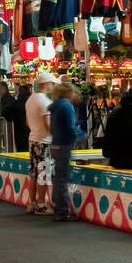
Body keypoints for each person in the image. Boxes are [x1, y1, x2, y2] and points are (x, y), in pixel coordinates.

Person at [24, 71, 57, 213]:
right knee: (43, 173)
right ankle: (42, 205)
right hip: (44, 142)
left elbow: (27, 122)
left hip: (33, 139)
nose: (53, 86)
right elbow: (48, 124)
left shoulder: (31, 99)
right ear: (46, 84)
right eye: (52, 83)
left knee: (34, 174)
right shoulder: (45, 101)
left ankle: (32, 203)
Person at [48, 82, 81, 222]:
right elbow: (70, 127)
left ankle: (57, 205)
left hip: (55, 143)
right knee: (62, 179)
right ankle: (62, 212)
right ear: (69, 93)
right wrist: (80, 135)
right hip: (63, 145)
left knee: (58, 177)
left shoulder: (55, 107)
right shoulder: (66, 106)